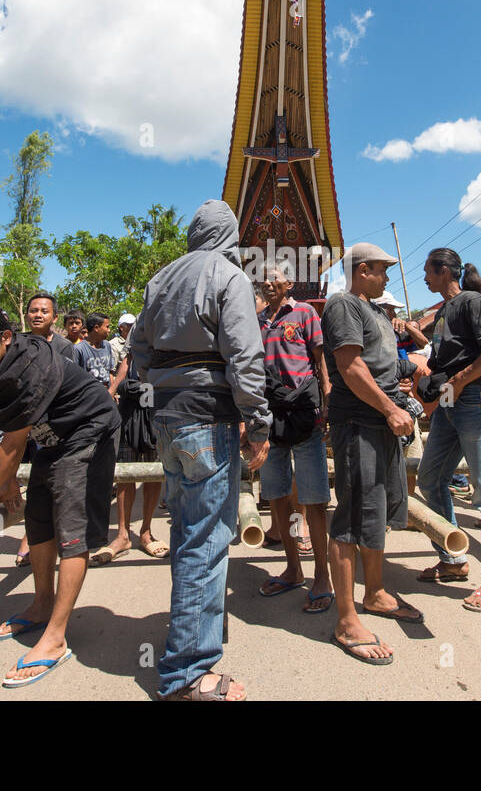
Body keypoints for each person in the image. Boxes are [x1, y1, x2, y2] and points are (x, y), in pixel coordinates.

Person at [129, 200, 271, 701]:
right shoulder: (228, 276)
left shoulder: (160, 279)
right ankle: (188, 673)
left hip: (166, 417)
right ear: (229, 236)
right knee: (205, 540)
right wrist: (258, 422)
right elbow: (245, 355)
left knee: (188, 529)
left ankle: (194, 638)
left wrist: (164, 381)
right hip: (209, 418)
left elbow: (137, 349)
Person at [0, 305, 120, 687]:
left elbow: (12, 443)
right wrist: (3, 481)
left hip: (87, 432)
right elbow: (5, 427)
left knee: (71, 530)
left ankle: (57, 637)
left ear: (6, 338)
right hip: (50, 438)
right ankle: (42, 603)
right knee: (38, 518)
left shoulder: (29, 367)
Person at [323, 243, 421, 663]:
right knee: (351, 515)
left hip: (383, 424)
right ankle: (346, 619)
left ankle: (376, 592)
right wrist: (390, 407)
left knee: (377, 509)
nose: (386, 278)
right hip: (359, 424)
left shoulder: (378, 313)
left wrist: (420, 370)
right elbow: (351, 367)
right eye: (382, 271)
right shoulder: (344, 305)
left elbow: (384, 365)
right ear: (363, 270)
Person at [414, 248, 481, 613]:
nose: (424, 277)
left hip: (472, 398)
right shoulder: (442, 311)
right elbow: (446, 358)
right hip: (447, 403)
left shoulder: (471, 301)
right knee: (429, 479)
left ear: (444, 271)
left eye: (428, 271)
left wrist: (459, 379)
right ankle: (452, 558)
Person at [256, 262, 333, 613]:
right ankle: (292, 568)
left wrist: (326, 402)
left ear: (290, 281)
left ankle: (322, 576)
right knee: (277, 496)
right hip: (269, 417)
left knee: (315, 499)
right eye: (263, 277)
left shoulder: (304, 313)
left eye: (275, 276)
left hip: (305, 413)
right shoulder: (256, 322)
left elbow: (320, 363)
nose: (268, 282)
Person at [92, 348, 167, 563]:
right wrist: (113, 390)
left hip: (157, 410)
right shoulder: (137, 331)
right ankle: (122, 535)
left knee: (154, 473)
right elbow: (126, 362)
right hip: (130, 412)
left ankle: (146, 532)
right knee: (125, 474)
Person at [24, 292, 81, 366]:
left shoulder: (64, 346)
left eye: (44, 312)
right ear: (26, 316)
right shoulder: (17, 342)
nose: (38, 315)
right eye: (33, 311)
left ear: (55, 318)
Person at [77, 313, 120, 396]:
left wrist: (112, 392)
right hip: (89, 396)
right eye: (107, 327)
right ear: (96, 328)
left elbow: (110, 372)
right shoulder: (79, 349)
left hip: (107, 394)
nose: (109, 330)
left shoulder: (107, 345)